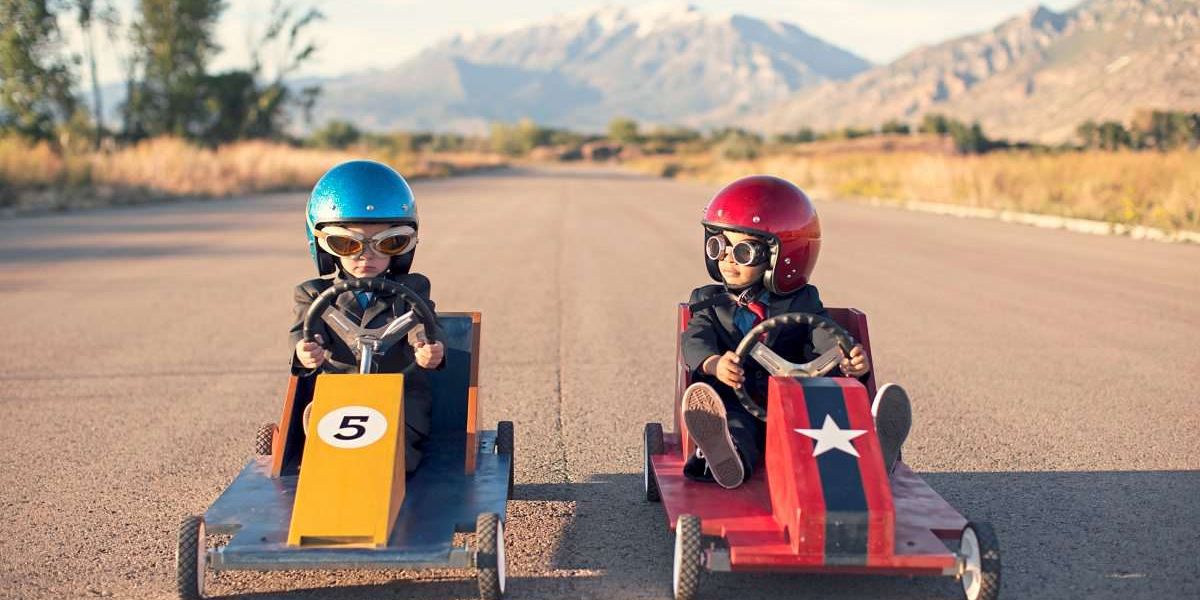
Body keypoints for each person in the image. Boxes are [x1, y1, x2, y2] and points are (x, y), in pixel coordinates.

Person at [680, 175, 912, 489]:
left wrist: (849, 357)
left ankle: (871, 449)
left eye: (743, 252)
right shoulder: (708, 302)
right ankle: (723, 452)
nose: (726, 259)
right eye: (718, 245)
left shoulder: (801, 301)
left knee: (830, 420)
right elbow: (695, 339)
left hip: (798, 406)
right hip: (737, 401)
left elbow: (824, 335)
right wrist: (714, 364)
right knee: (735, 425)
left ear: (781, 258)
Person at [289, 160, 445, 473]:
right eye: (347, 243)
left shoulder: (413, 287)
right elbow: (305, 332)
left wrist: (427, 348)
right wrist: (306, 351)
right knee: (326, 455)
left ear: (404, 247)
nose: (366, 256)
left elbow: (420, 325)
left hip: (400, 395)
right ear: (324, 245)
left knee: (392, 459)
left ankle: (387, 496)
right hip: (337, 395)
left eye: (388, 242)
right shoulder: (312, 293)